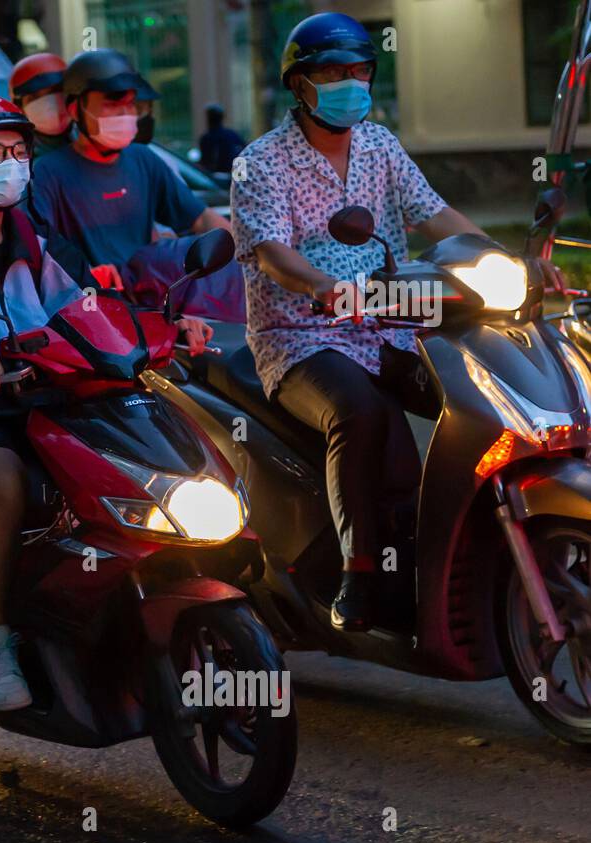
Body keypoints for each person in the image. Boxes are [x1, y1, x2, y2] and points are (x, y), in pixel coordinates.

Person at [0, 96, 212, 709]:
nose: (10, 163)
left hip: (43, 396)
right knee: (4, 482)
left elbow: (86, 306)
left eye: (18, 152)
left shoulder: (34, 234)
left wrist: (161, 330)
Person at [230, 12, 537, 631]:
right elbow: (270, 251)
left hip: (392, 322)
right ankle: (359, 570)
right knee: (361, 413)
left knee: (483, 388)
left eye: (360, 70)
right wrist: (322, 286)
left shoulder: (379, 145)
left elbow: (434, 214)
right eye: (333, 72)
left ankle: (485, 535)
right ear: (300, 84)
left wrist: (505, 259)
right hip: (300, 338)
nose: (351, 83)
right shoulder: (258, 163)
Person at [32, 49, 231, 292]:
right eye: (112, 104)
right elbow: (40, 251)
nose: (126, 114)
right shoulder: (48, 172)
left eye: (130, 104)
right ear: (75, 110)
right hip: (88, 309)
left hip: (151, 304)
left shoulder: (143, 159)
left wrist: (248, 252)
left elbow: (200, 218)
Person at [9, 52, 71, 155]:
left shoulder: (94, 140)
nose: (48, 103)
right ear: (20, 108)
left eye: (55, 91)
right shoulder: (17, 156)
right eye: (34, 97)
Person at [197, 103, 245, 175]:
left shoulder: (206, 138)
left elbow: (205, 163)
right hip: (232, 178)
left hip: (217, 181)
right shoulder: (232, 134)